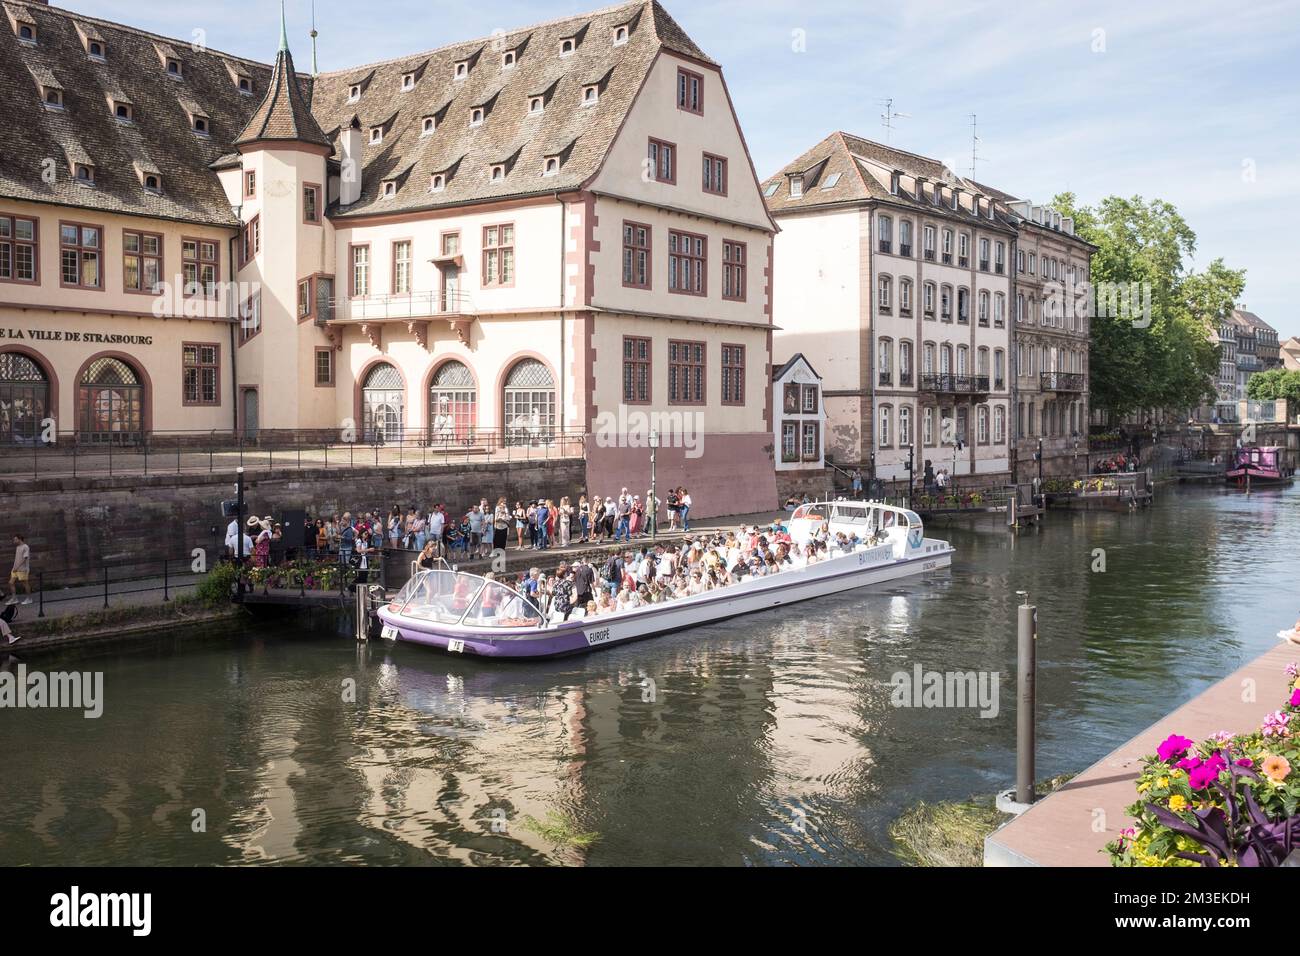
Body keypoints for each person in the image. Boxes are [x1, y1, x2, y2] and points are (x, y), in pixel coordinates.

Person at [9, 534, 31, 605]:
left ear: (19, 539)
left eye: (15, 539)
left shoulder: (25, 547)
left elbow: (25, 559)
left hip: (22, 569)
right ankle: (14, 599)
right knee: (11, 583)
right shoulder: (18, 547)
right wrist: (14, 567)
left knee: (25, 584)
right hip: (15, 569)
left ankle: (29, 599)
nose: (14, 541)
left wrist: (17, 567)